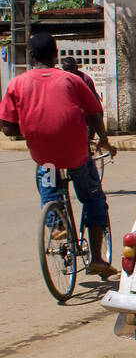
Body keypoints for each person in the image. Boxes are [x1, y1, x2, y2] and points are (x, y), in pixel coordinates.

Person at [0, 32, 117, 278]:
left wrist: (34, 129)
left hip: (44, 155)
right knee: (93, 199)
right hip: (77, 152)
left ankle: (55, 223)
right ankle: (97, 258)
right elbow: (94, 114)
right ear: (56, 55)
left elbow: (8, 127)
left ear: (31, 57)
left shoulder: (17, 83)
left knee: (47, 177)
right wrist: (103, 139)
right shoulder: (72, 80)